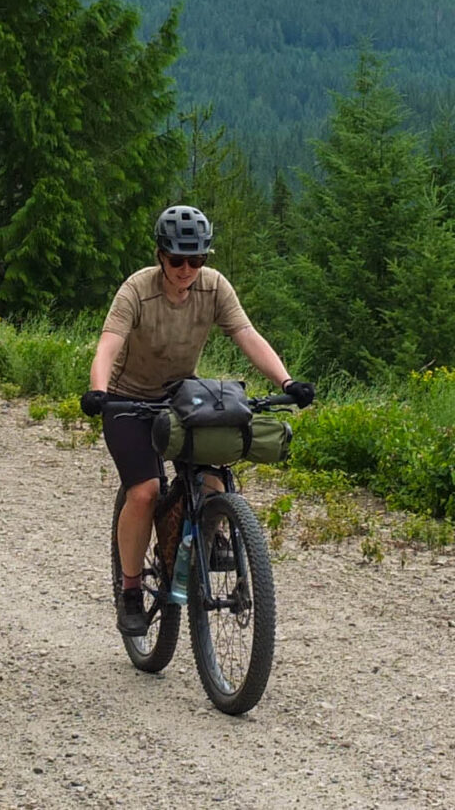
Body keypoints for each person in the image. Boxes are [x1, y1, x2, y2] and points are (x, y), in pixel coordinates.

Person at [81, 204, 312, 635]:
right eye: (178, 260)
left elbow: (246, 335)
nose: (188, 269)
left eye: (198, 259)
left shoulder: (214, 287)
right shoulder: (137, 289)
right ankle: (131, 590)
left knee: (214, 471)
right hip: (126, 401)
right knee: (146, 492)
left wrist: (287, 379)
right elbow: (108, 344)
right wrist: (98, 391)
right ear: (160, 255)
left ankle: (208, 531)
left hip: (179, 396)